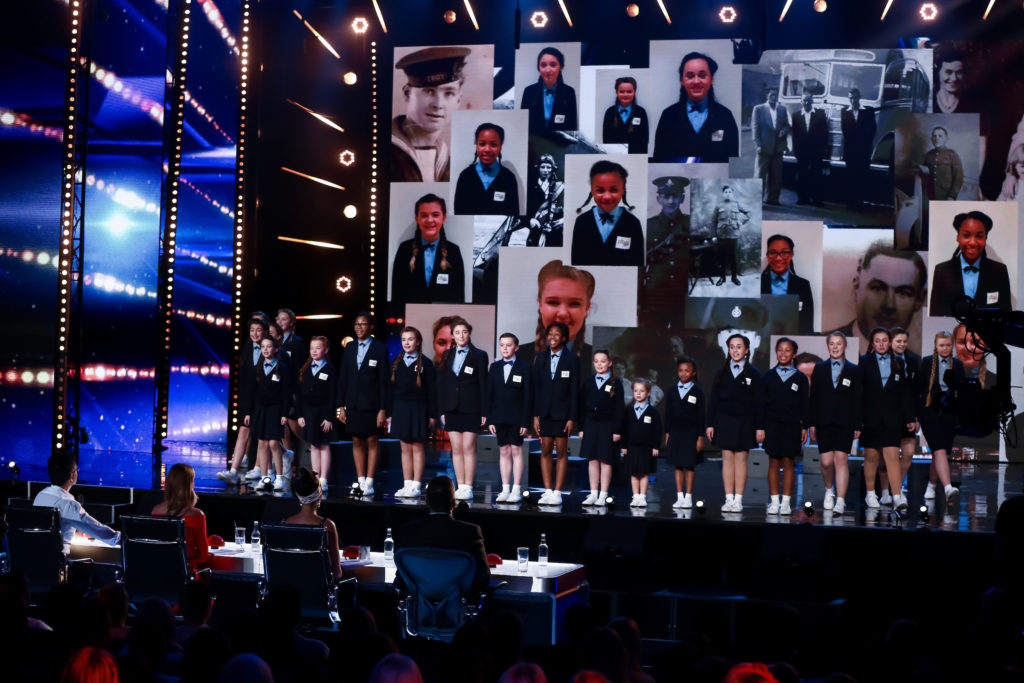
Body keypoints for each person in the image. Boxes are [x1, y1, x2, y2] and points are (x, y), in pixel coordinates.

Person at [396, 475, 490, 596]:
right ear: (454, 503)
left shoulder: (407, 532)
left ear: (426, 501)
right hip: (457, 607)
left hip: (418, 607)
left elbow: (401, 576)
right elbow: (483, 576)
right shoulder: (471, 532)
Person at [859, 327, 917, 513]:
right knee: (871, 457)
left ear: (889, 342)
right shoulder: (863, 362)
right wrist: (857, 419)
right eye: (878, 340)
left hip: (893, 418)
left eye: (885, 340)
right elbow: (858, 394)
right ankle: (870, 494)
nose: (882, 344)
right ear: (872, 343)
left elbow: (905, 393)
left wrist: (909, 417)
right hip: (870, 417)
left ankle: (897, 496)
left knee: (892, 456)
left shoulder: (898, 362)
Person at [391, 46, 470, 182]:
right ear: (407, 93)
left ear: (458, 100)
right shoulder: (386, 151)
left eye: (449, 93)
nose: (438, 104)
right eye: (429, 91)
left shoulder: (451, 161)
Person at [706, 334, 764, 513]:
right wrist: (710, 424)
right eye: (732, 346)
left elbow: (759, 403)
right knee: (727, 460)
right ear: (728, 350)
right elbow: (713, 401)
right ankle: (728, 498)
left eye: (739, 346)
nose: (735, 350)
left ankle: (738, 500)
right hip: (724, 420)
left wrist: (760, 427)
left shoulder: (754, 373)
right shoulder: (721, 373)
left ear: (746, 350)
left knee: (741, 460)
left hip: (745, 422)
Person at [838, 241, 927, 355]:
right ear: (857, 286)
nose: (889, 305)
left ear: (919, 300)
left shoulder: (919, 367)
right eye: (878, 288)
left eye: (903, 293)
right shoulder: (821, 349)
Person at [436, 317, 489, 501]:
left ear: (469, 333)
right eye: (457, 332)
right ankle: (460, 485)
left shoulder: (479, 355)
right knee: (456, 448)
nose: (461, 335)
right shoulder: (447, 355)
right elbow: (442, 384)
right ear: (453, 335)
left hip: (471, 407)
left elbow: (484, 384)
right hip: (451, 408)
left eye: (464, 332)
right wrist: (442, 410)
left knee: (468, 447)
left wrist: (484, 412)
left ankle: (468, 486)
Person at [653, 51, 739, 163]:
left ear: (711, 79)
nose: (696, 81)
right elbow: (659, 161)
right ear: (682, 80)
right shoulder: (668, 116)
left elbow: (732, 162)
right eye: (690, 76)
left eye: (702, 75)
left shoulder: (725, 116)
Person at [810, 332, 862, 515]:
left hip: (845, 422)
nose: (835, 347)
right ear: (828, 346)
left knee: (841, 459)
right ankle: (829, 491)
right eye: (832, 343)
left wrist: (858, 425)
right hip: (823, 421)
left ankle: (840, 500)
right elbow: (814, 398)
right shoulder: (820, 368)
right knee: (826, 462)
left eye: (838, 343)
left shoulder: (853, 370)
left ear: (844, 346)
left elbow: (858, 399)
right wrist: (812, 424)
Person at [339, 313, 389, 497]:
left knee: (372, 441)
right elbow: (343, 377)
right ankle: (360, 480)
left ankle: (370, 481)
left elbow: (384, 380)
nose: (359, 327)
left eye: (363, 324)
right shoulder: (350, 347)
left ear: (371, 327)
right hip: (353, 403)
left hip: (373, 404)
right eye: (356, 324)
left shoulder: (380, 348)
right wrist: (341, 406)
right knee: (356, 440)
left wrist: (383, 409)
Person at [533, 321, 580, 506]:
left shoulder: (572, 359)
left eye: (557, 334)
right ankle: (547, 490)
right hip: (544, 413)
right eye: (550, 333)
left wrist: (571, 417)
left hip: (562, 413)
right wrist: (535, 415)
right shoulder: (541, 357)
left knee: (561, 451)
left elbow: (574, 390)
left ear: (564, 338)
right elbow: (536, 388)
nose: (552, 337)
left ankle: (558, 491)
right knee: (545, 450)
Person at [929, 210, 1012, 317]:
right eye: (966, 235)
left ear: (985, 238)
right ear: (958, 237)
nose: (972, 242)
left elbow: (1006, 315)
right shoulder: (942, 271)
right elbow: (936, 315)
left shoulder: (999, 271)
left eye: (979, 236)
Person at [34, 453, 120, 554]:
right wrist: (120, 538)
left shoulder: (41, 496)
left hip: (36, 557)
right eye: (76, 470)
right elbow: (97, 529)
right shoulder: (68, 503)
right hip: (56, 562)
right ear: (71, 476)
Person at [915, 331, 965, 506]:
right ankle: (947, 487)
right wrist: (915, 415)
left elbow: (962, 390)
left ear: (952, 346)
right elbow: (918, 389)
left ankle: (931, 484)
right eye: (941, 345)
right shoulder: (927, 362)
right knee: (939, 449)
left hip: (949, 414)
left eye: (948, 345)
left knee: (939, 452)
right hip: (930, 413)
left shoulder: (957, 364)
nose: (945, 348)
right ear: (936, 346)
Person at [388, 327, 438, 499]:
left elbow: (432, 391)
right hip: (400, 408)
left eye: (410, 339)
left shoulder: (426, 363)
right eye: (404, 339)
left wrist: (432, 415)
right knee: (404, 446)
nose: (407, 342)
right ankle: (407, 483)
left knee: (417, 446)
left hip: (419, 408)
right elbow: (391, 390)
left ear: (417, 342)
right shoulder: (396, 362)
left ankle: (416, 484)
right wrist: (389, 413)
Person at [391, 194, 466, 305]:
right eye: (424, 215)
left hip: (444, 318)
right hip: (412, 318)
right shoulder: (404, 249)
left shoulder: (454, 251)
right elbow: (396, 294)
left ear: (443, 217)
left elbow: (458, 296)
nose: (429, 220)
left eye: (435, 215)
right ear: (417, 218)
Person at [219, 317, 269, 484]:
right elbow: (244, 380)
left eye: (259, 330)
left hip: (266, 400)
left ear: (265, 332)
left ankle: (263, 471)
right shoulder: (246, 349)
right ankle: (233, 471)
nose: (255, 333)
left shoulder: (271, 350)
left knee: (266, 439)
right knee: (243, 432)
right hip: (249, 400)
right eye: (252, 330)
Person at [762, 338, 808, 516]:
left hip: (792, 426)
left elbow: (805, 404)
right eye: (780, 350)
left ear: (794, 354)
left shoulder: (800, 377)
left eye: (787, 350)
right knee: (773, 462)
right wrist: (761, 427)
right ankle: (774, 502)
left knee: (789, 462)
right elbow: (762, 405)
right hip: (772, 425)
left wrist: (805, 426)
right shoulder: (768, 377)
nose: (783, 353)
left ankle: (786, 503)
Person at [485, 333, 533, 503]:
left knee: (516, 450)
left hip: (517, 417)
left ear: (516, 347)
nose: (505, 348)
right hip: (499, 416)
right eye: (502, 345)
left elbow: (528, 396)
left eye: (508, 345)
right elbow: (489, 395)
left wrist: (525, 421)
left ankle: (516, 489)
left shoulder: (525, 367)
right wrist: (490, 419)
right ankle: (505, 489)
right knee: (504, 451)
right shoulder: (495, 367)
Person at [522, 259, 595, 369]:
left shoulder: (599, 360)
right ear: (540, 304)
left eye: (574, 304)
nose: (563, 313)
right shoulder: (517, 356)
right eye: (553, 302)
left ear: (586, 308)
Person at [570, 160, 644, 267]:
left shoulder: (633, 223)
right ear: (592, 191)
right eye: (600, 190)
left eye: (614, 190)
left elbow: (638, 263)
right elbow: (576, 262)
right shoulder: (582, 221)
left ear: (623, 190)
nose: (607, 196)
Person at [243, 336, 292, 491]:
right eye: (263, 346)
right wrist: (248, 412)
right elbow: (251, 390)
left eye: (268, 346)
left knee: (273, 443)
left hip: (275, 409)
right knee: (262, 443)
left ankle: (279, 477)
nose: (265, 349)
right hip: (259, 409)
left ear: (275, 348)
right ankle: (265, 477)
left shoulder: (281, 367)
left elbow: (286, 393)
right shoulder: (258, 367)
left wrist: (285, 413)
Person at [578, 350, 624, 507]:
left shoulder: (615, 383)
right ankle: (593, 493)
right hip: (590, 424)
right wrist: (582, 427)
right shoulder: (588, 382)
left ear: (610, 363)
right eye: (596, 361)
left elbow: (619, 408)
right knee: (592, 460)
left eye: (603, 361)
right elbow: (581, 406)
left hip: (608, 426)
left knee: (605, 460)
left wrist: (617, 430)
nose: (599, 364)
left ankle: (603, 494)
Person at [282, 467, 341, 579]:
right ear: (319, 494)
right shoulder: (327, 525)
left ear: (299, 497)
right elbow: (337, 573)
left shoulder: (284, 523)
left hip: (289, 589)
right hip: (319, 591)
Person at [453, 123, 521, 216]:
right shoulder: (465, 176)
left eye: (493, 145)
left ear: (500, 146)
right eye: (482, 144)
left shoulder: (509, 178)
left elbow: (513, 214)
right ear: (476, 145)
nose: (487, 149)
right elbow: (459, 213)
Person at [886, 327, 921, 505]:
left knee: (908, 453)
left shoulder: (914, 361)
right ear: (891, 341)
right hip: (888, 413)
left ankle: (896, 486)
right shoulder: (883, 360)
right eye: (898, 341)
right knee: (887, 456)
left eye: (904, 341)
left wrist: (915, 417)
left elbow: (916, 392)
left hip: (909, 414)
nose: (902, 344)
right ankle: (893, 491)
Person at [296, 336, 336, 492]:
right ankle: (316, 477)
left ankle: (324, 479)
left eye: (318, 348)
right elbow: (299, 395)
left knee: (324, 445)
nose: (314, 351)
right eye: (312, 348)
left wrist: (329, 417)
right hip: (308, 413)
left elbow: (332, 396)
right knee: (313, 445)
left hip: (323, 413)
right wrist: (300, 415)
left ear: (325, 350)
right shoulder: (305, 369)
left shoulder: (329, 369)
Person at [664, 357, 704, 509]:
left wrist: (700, 437)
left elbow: (701, 416)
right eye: (681, 370)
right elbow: (667, 414)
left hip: (691, 433)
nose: (683, 373)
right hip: (675, 433)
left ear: (693, 373)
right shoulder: (672, 391)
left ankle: (688, 498)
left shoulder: (697, 392)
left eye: (687, 370)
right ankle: (679, 496)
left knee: (690, 465)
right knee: (678, 465)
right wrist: (667, 434)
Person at [151, 463, 209, 570]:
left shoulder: (155, 511)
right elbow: (203, 556)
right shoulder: (197, 515)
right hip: (185, 577)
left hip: (159, 573)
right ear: (190, 485)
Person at [643, 176, 690, 297]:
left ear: (682, 198)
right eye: (666, 196)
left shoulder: (691, 224)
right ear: (659, 199)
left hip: (685, 292)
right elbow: (639, 267)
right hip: (655, 294)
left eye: (675, 196)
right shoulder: (648, 226)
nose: (671, 201)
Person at [620, 378, 663, 508]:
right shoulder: (628, 411)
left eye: (642, 391)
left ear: (648, 393)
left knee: (644, 473)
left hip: (646, 448)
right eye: (636, 391)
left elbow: (657, 430)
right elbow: (624, 429)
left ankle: (643, 497)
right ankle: (635, 496)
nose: (638, 394)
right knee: (634, 473)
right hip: (632, 447)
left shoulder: (652, 411)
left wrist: (656, 446)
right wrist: (624, 445)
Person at [760, 233, 814, 334]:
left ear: (791, 255)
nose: (778, 258)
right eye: (773, 253)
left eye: (784, 253)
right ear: (767, 255)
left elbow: (807, 326)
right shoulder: (757, 283)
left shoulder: (803, 285)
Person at [520, 46, 578, 133]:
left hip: (559, 144)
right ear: (538, 67)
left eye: (553, 65)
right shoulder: (529, 91)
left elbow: (572, 126)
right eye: (543, 65)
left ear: (561, 67)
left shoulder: (569, 92)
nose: (547, 70)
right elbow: (523, 126)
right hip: (534, 143)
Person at [751, 87, 791, 206]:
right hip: (763, 147)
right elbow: (755, 129)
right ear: (767, 96)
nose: (774, 97)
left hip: (778, 148)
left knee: (776, 175)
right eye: (772, 95)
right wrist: (757, 145)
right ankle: (756, 200)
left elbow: (787, 125)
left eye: (776, 95)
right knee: (759, 175)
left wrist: (784, 130)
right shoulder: (758, 109)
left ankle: (773, 199)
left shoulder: (783, 109)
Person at [791, 89, 829, 206]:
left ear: (812, 101)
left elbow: (825, 133)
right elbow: (794, 135)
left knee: (816, 174)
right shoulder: (796, 115)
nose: (806, 103)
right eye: (804, 101)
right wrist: (795, 150)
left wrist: (822, 148)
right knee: (802, 174)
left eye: (808, 100)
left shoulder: (820, 114)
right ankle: (803, 198)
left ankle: (817, 200)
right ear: (801, 102)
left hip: (816, 151)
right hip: (801, 151)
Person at [840, 87, 877, 207]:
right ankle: (850, 202)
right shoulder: (844, 112)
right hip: (850, 151)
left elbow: (872, 130)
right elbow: (845, 131)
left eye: (855, 97)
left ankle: (860, 202)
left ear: (859, 98)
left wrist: (863, 143)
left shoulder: (868, 111)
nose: (853, 100)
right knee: (850, 176)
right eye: (851, 98)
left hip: (863, 150)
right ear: (848, 99)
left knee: (862, 176)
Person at [711, 185, 750, 287]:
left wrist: (741, 222)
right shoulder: (718, 205)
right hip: (721, 235)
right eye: (726, 192)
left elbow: (748, 213)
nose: (728, 194)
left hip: (733, 235)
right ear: (723, 194)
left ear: (732, 193)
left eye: (729, 192)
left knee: (734, 258)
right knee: (722, 257)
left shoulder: (737, 204)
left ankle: (734, 277)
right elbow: (713, 221)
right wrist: (714, 235)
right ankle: (722, 277)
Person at [601, 76, 649, 154]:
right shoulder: (609, 112)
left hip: (635, 156)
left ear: (634, 92)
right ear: (616, 92)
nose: (625, 94)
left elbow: (644, 141)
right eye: (622, 91)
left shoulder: (641, 112)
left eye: (629, 91)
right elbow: (606, 140)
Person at [526, 154, 565, 247]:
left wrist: (562, 221)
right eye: (542, 167)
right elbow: (523, 208)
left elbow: (565, 208)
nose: (545, 170)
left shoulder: (559, 187)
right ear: (538, 168)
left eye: (548, 167)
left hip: (554, 231)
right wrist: (529, 220)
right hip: (535, 229)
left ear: (552, 169)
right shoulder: (530, 186)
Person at [920, 126, 964, 201]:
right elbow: (925, 175)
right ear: (931, 139)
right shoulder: (928, 155)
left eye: (940, 136)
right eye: (934, 136)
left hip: (946, 196)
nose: (937, 138)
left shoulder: (952, 154)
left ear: (946, 138)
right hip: (930, 196)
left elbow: (958, 178)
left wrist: (952, 196)